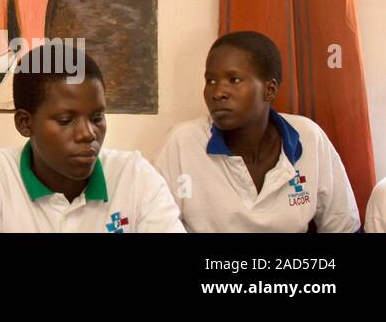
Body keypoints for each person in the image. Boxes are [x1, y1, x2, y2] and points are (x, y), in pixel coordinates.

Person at [0, 42, 184, 232]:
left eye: (97, 117)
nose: (87, 133)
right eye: (65, 120)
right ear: (25, 123)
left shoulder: (134, 177)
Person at [154, 31, 360, 232]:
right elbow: (157, 225)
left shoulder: (308, 138)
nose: (217, 93)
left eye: (234, 80)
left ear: (269, 89)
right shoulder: (183, 143)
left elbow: (343, 225)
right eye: (211, 80)